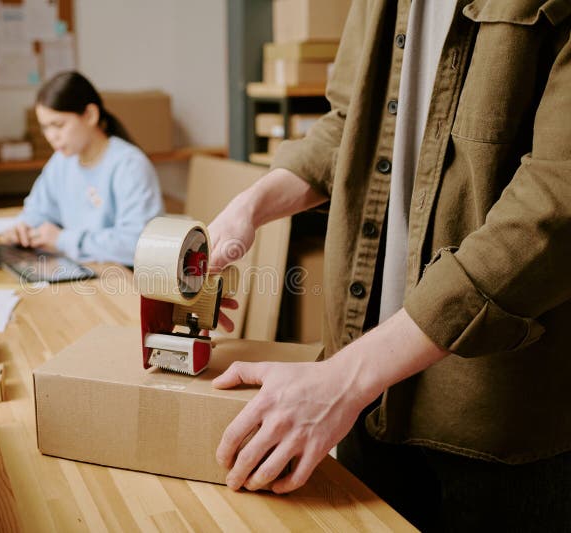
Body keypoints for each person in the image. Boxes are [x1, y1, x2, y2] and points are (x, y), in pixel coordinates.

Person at [207, 1, 571, 530]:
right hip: (364, 401)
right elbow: (345, 125)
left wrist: (343, 381)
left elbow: (555, 205)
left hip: (492, 417)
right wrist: (249, 207)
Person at [3, 71, 163, 266]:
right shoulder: (61, 161)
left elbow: (136, 244)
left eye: (58, 125)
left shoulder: (129, 165)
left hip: (120, 277)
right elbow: (39, 209)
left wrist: (62, 239)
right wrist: (24, 226)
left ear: (90, 116)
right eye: (45, 127)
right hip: (83, 267)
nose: (51, 136)